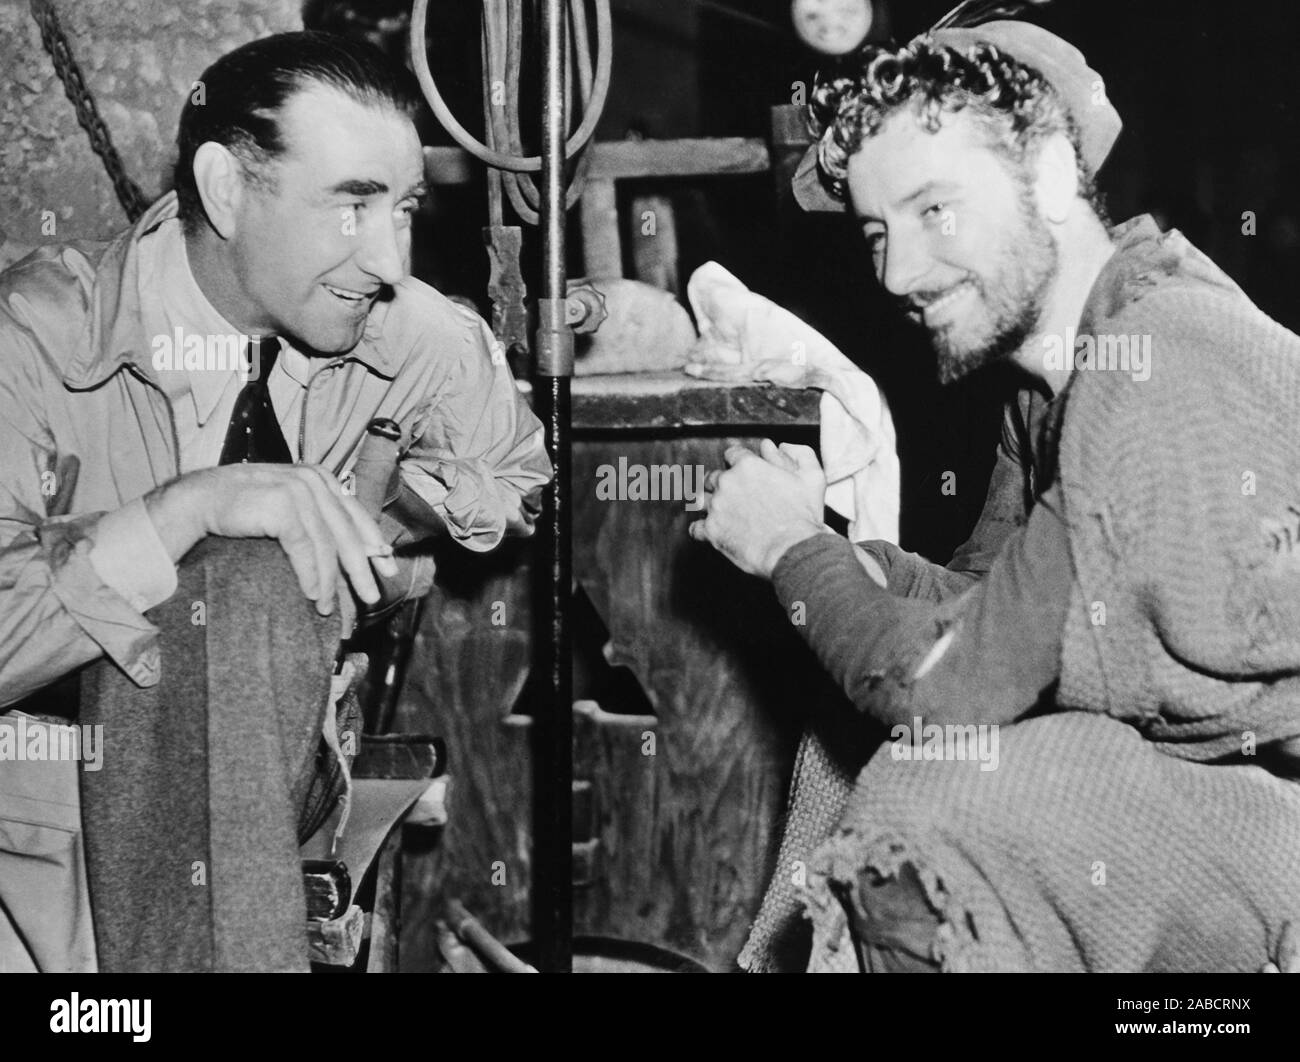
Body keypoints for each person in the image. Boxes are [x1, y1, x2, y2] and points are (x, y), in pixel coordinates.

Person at [691, 21, 1300, 972]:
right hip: (1216, 782)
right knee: (849, 712)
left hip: (1279, 814)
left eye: (936, 210)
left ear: (1053, 177)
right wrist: (854, 562)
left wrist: (791, 552)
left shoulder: (1160, 360)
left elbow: (949, 690)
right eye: (877, 231)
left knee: (928, 794)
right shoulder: (1050, 384)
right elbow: (995, 609)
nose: (897, 271)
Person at [0, 31, 549, 972]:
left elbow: (517, 476)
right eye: (352, 205)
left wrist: (383, 526)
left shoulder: (409, 334)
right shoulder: (37, 340)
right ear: (224, 189)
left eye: (404, 208)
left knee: (256, 578)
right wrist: (187, 510)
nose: (389, 260)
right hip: (50, 803)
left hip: (279, 781)